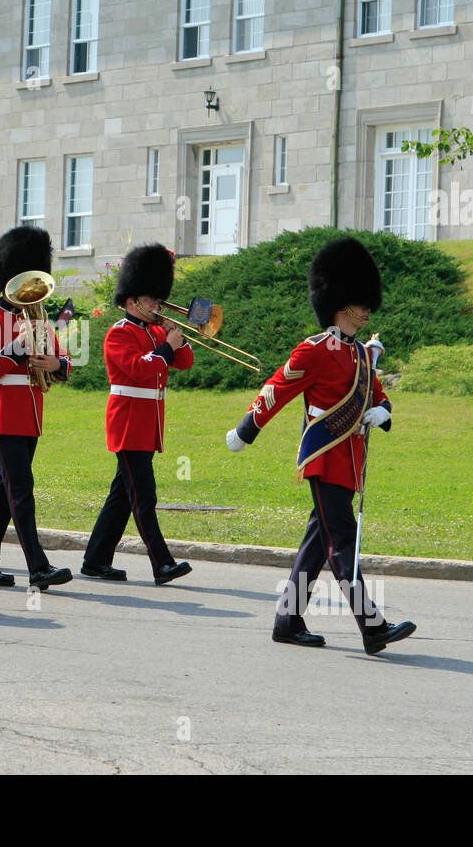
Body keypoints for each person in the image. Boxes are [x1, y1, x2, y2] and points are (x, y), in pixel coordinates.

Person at [226, 236, 415, 655]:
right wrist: (246, 429)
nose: (367, 309)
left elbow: (378, 396)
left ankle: (287, 621)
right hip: (324, 458)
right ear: (339, 301)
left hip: (351, 461)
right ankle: (373, 626)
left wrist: (382, 412)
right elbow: (277, 388)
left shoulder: (362, 355)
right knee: (341, 543)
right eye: (360, 302)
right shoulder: (315, 350)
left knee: (317, 542)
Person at [0, 226, 72, 591]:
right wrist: (17, 345)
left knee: (5, 492)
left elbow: (64, 359)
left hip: (31, 412)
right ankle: (38, 567)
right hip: (5, 413)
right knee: (21, 491)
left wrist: (56, 366)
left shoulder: (40, 317)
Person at [82, 244, 194, 585]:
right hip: (128, 423)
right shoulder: (120, 332)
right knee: (144, 496)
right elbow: (139, 369)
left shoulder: (156, 331)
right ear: (131, 301)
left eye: (157, 299)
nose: (156, 305)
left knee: (122, 497)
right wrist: (166, 346)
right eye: (150, 300)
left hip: (147, 424)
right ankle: (161, 563)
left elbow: (185, 363)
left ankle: (96, 559)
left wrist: (179, 339)